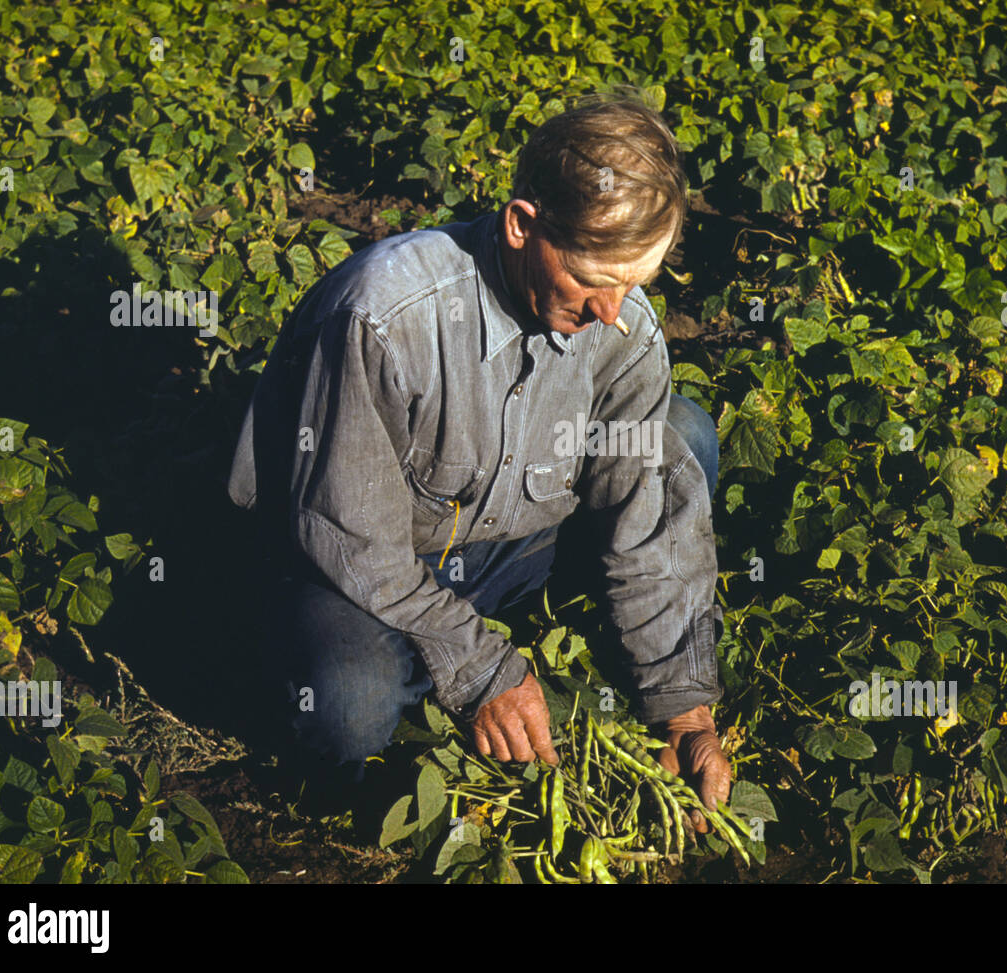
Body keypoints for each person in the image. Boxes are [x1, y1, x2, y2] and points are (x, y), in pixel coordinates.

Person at [227, 90, 730, 831]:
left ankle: (516, 658)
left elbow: (644, 516)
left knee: (679, 438)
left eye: (634, 284)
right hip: (355, 557)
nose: (610, 312)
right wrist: (477, 668)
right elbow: (350, 537)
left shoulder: (623, 327)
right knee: (350, 710)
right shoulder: (384, 317)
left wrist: (685, 712)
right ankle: (356, 685)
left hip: (510, 543)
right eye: (595, 281)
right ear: (522, 225)